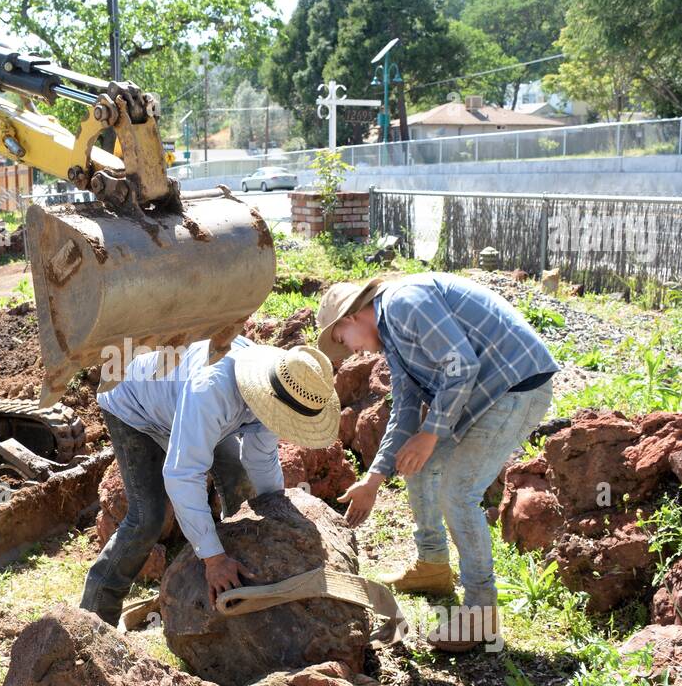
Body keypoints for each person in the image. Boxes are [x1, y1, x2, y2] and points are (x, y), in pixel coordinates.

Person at [315, 272, 558, 652]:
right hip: (486, 391)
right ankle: (433, 567)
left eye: (344, 342)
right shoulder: (392, 338)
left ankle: (481, 615)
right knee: (420, 463)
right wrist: (374, 479)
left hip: (516, 385)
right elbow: (406, 410)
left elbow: (460, 366)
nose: (354, 353)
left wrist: (431, 435)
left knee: (458, 493)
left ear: (350, 318)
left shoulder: (403, 303)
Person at [80, 337, 341, 626]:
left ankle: (238, 584)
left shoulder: (285, 385)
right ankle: (93, 618)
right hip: (134, 402)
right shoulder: (212, 392)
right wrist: (213, 560)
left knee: (239, 484)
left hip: (186, 401)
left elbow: (260, 458)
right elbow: (182, 474)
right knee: (147, 518)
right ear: (269, 397)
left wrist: (277, 509)